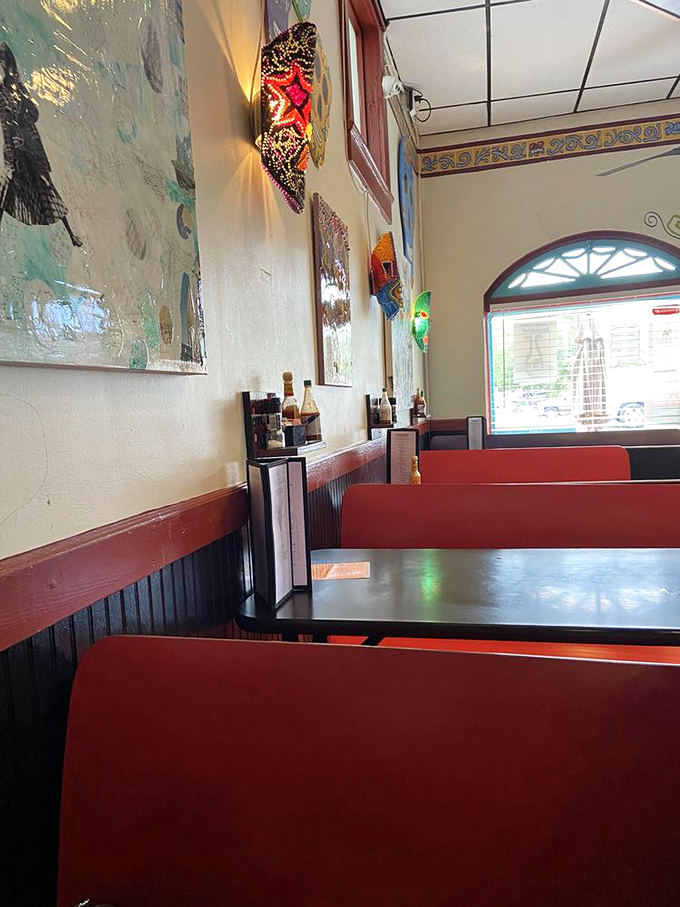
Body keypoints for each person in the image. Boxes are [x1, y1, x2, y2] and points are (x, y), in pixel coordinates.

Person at [0, 41, 82, 246]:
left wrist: (21, 114)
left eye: (2, 62)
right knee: (7, 188)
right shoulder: (2, 93)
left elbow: (34, 114)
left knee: (47, 186)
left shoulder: (17, 88)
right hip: (15, 148)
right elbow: (4, 124)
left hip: (31, 146)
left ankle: (71, 235)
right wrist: (10, 150)